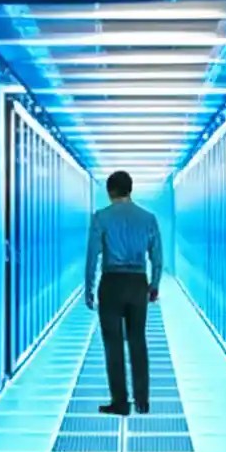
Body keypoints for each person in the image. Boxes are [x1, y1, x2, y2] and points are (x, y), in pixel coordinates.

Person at [84, 170, 163, 416]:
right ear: (130, 190)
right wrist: (154, 284)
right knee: (138, 339)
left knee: (113, 343)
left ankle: (120, 402)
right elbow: (157, 256)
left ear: (110, 192)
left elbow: (92, 255)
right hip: (138, 282)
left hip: (111, 282)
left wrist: (88, 287)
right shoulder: (148, 218)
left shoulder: (101, 217)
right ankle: (142, 401)